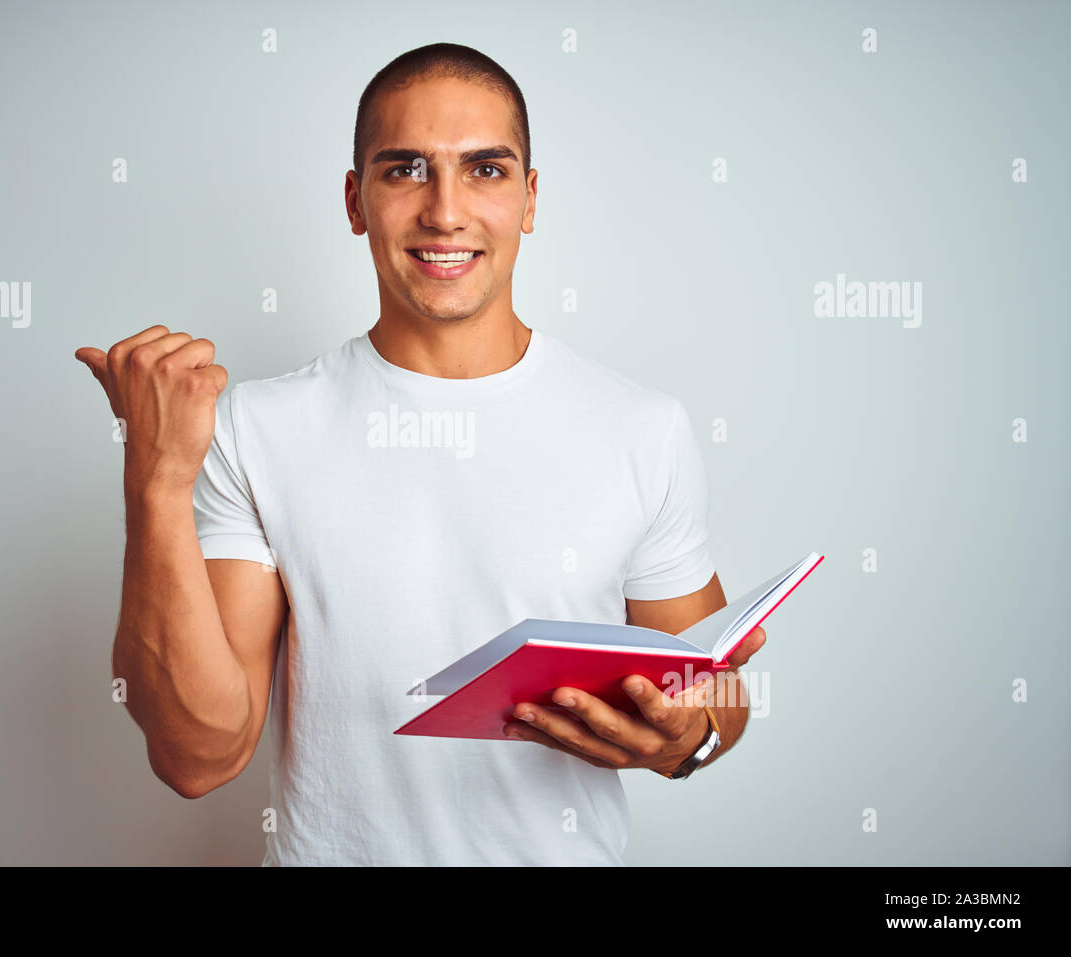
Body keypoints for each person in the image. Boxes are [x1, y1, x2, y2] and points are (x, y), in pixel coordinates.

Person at [75, 42, 765, 866]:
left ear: (530, 198)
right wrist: (155, 480)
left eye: (485, 170)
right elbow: (200, 754)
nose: (445, 212)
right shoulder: (258, 428)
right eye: (405, 170)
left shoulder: (641, 428)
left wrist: (686, 736)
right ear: (355, 198)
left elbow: (715, 691)